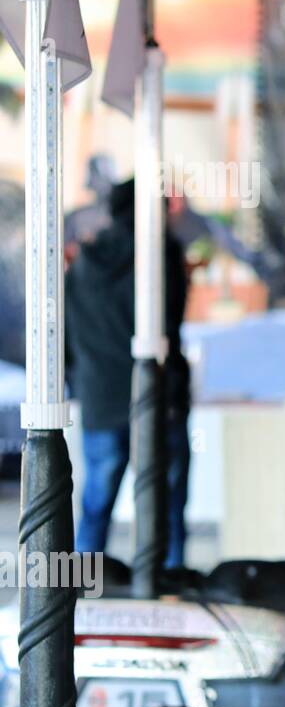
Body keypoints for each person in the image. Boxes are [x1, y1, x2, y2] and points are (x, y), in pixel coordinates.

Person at [67, 178, 192, 570]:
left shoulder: (85, 261)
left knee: (95, 505)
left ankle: (83, 592)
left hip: (100, 398)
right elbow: (170, 325)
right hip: (155, 399)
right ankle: (166, 593)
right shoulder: (161, 255)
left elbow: (68, 334)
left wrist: (81, 378)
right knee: (166, 507)